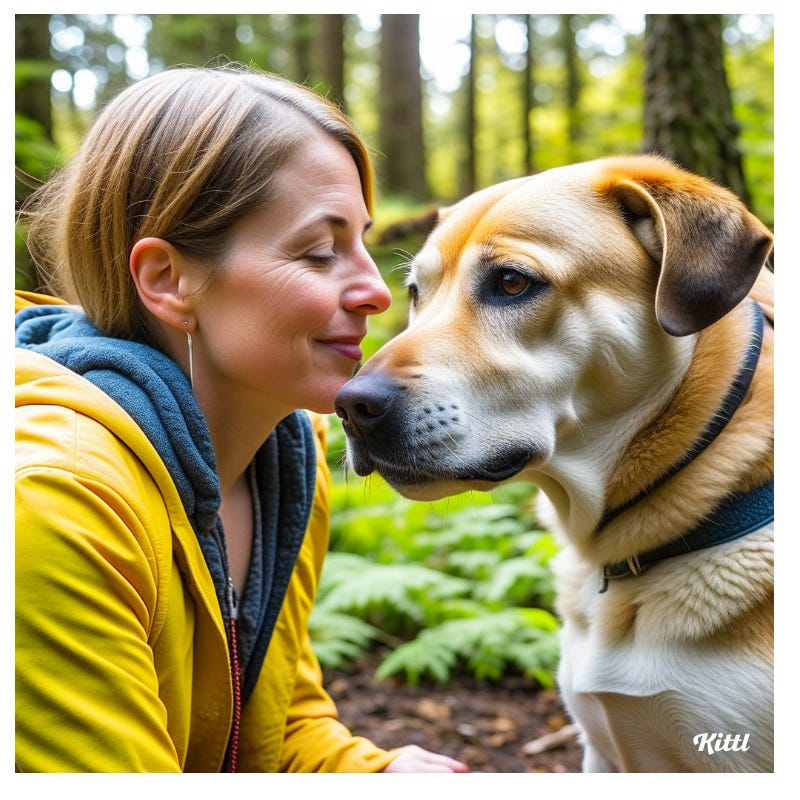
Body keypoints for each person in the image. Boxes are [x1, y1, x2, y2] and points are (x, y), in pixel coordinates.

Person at [15, 63, 469, 774]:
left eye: (362, 243)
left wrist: (372, 776)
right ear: (169, 281)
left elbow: (270, 720)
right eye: (320, 252)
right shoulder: (54, 504)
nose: (378, 292)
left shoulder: (286, 456)